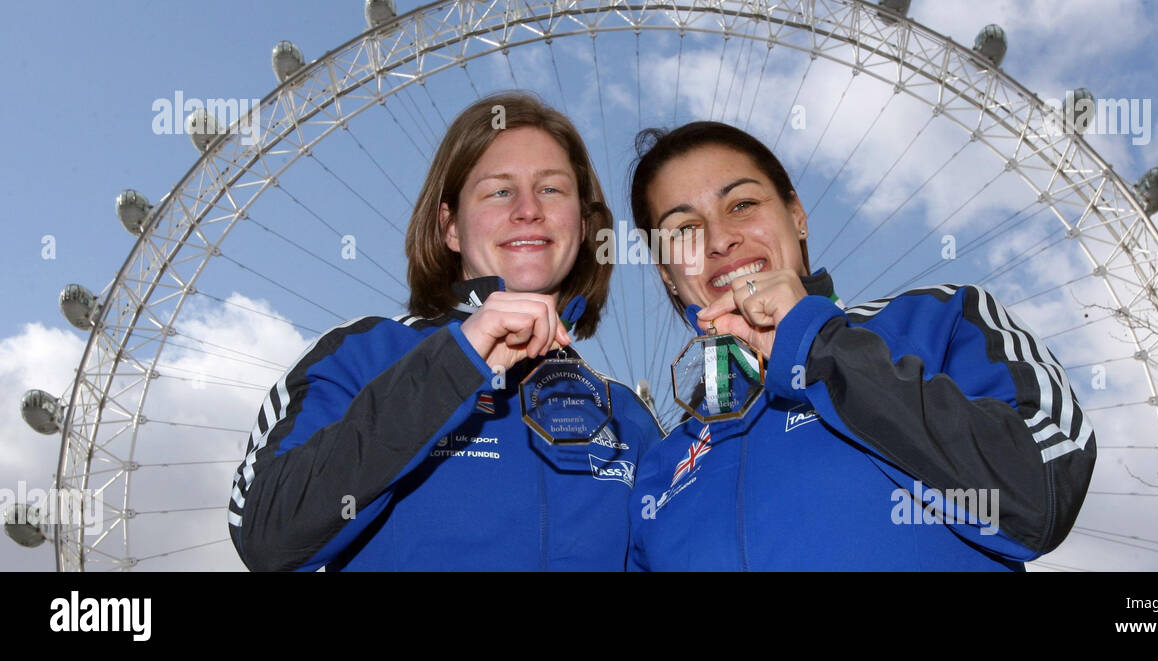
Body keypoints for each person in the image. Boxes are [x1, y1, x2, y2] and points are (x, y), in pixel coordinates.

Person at [626, 121, 1096, 570]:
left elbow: (1043, 493)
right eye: (683, 230)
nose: (720, 240)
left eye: (743, 204)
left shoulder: (940, 321)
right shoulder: (661, 467)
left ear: (797, 216)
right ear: (667, 274)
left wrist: (818, 346)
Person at [227, 92, 659, 571]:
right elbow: (267, 534)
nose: (528, 210)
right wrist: (456, 364)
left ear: (582, 227)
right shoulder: (363, 354)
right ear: (450, 227)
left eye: (552, 190)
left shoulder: (627, 418)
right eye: (499, 190)